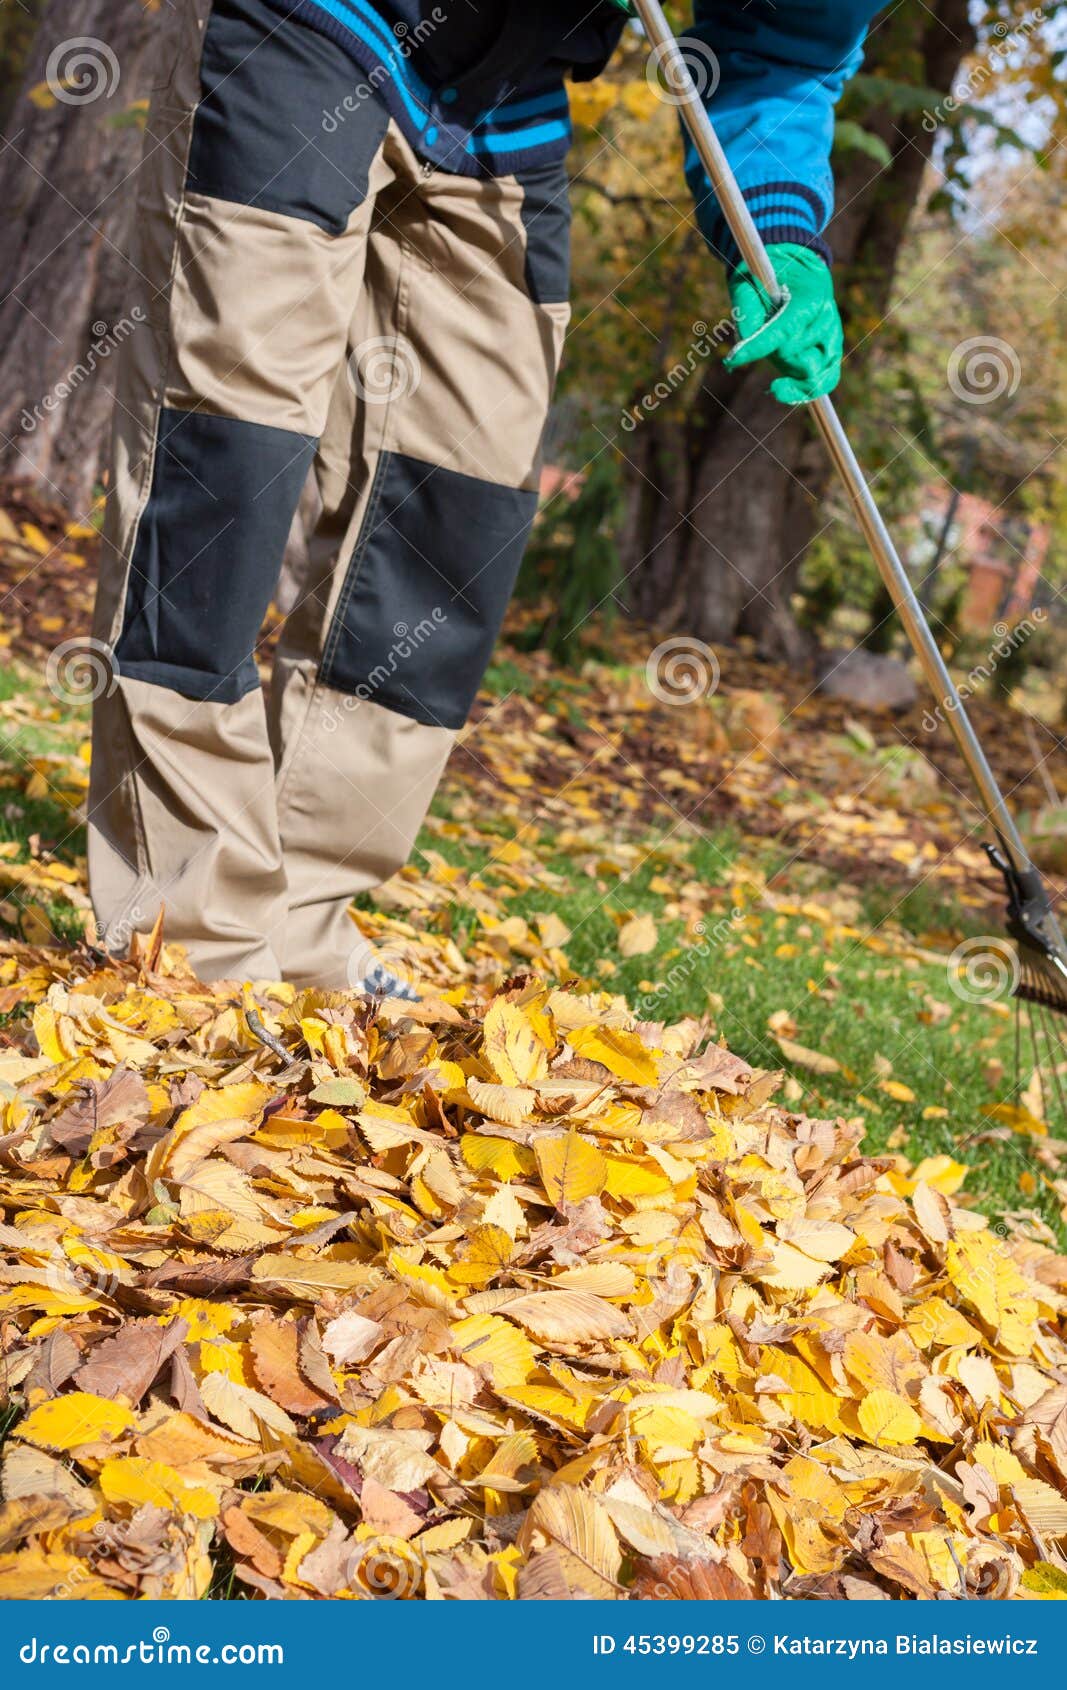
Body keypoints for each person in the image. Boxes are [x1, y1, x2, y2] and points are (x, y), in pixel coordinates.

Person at [88, 0, 879, 990]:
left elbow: (780, 51)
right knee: (222, 469)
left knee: (447, 518)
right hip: (311, 28)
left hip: (505, 102)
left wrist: (780, 231)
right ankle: (185, 937)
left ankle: (296, 922)